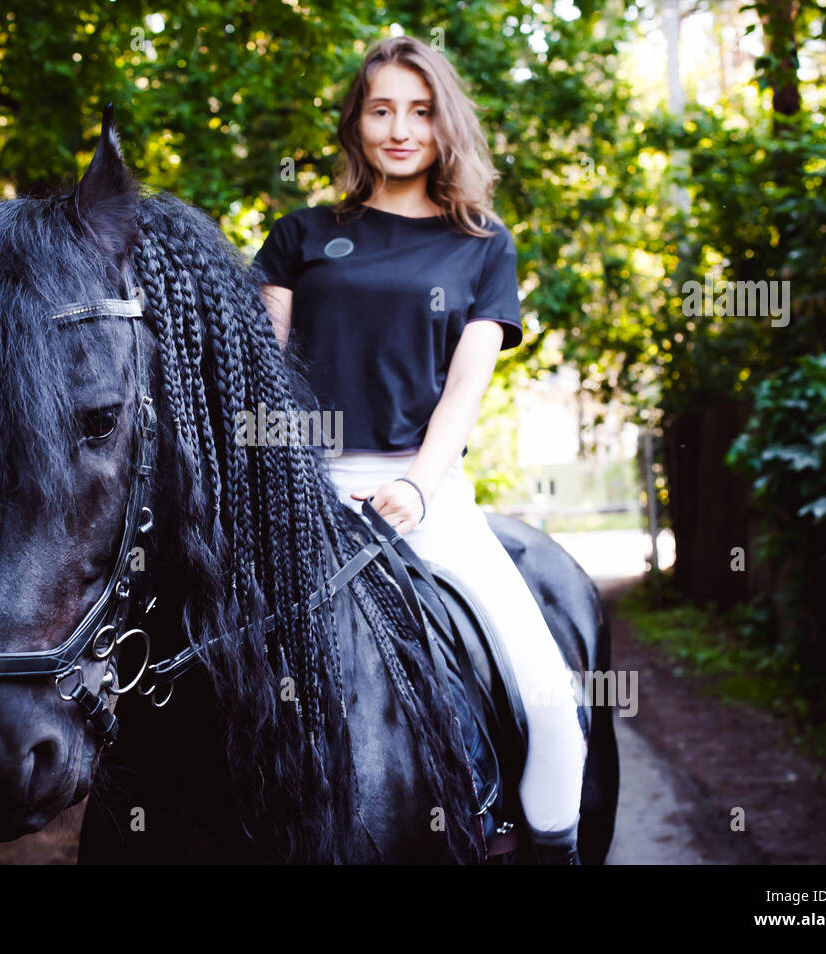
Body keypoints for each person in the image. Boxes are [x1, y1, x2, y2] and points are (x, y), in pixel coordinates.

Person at [253, 36, 587, 864]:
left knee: (552, 706)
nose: (400, 128)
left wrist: (419, 489)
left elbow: (466, 389)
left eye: (420, 109)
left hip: (424, 495)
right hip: (300, 496)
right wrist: (290, 483)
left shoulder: (482, 245)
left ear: (445, 123)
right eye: (381, 110)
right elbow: (263, 377)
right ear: (357, 124)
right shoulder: (299, 236)